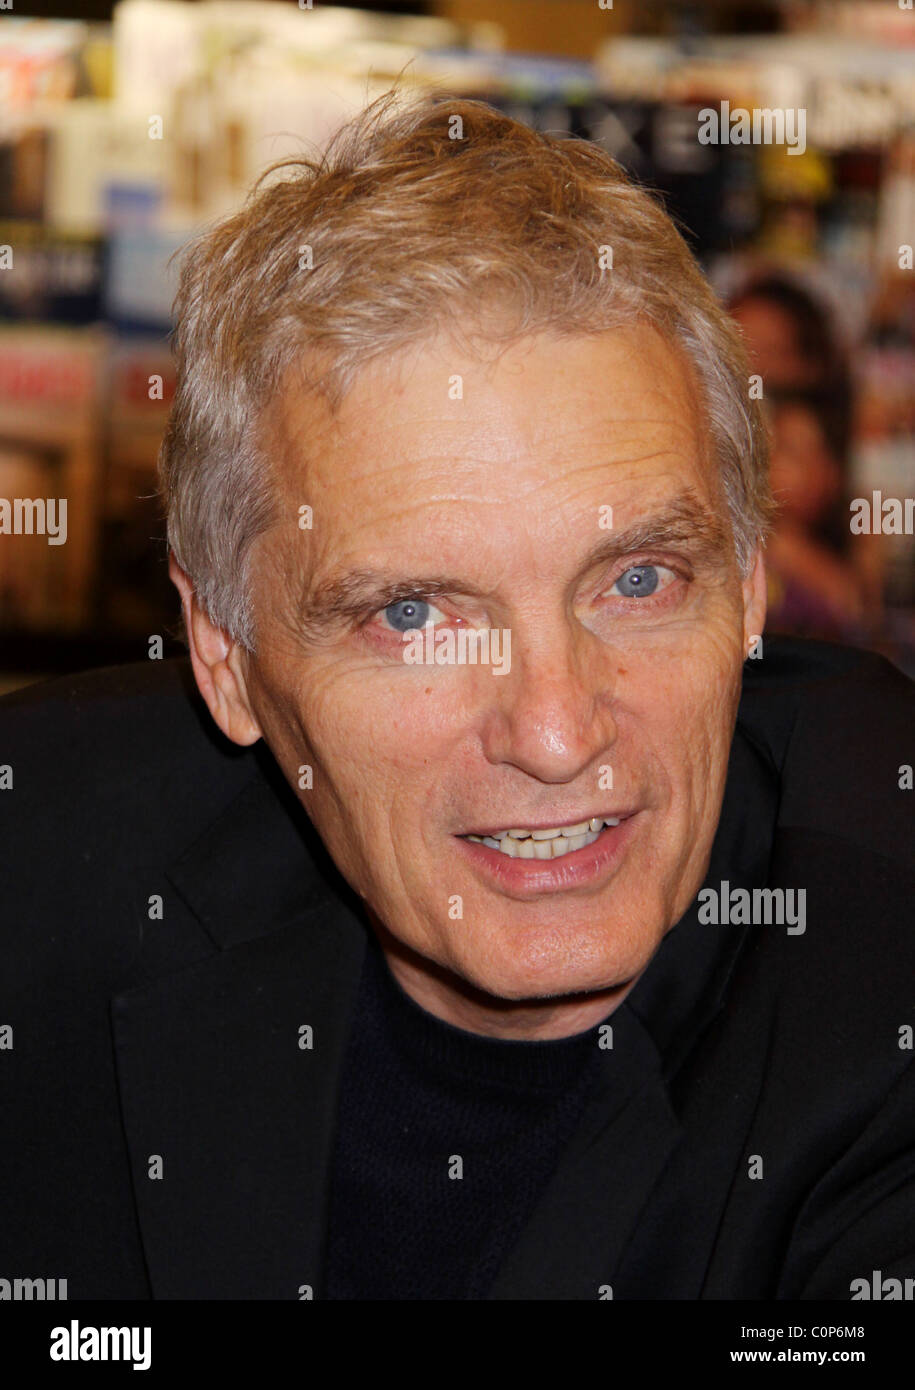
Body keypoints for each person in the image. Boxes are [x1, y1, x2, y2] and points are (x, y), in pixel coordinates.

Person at [2, 89, 913, 1301]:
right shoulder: (39, 876)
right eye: (414, 614)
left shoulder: (879, 980)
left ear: (750, 586)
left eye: (637, 580)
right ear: (224, 655)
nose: (554, 730)